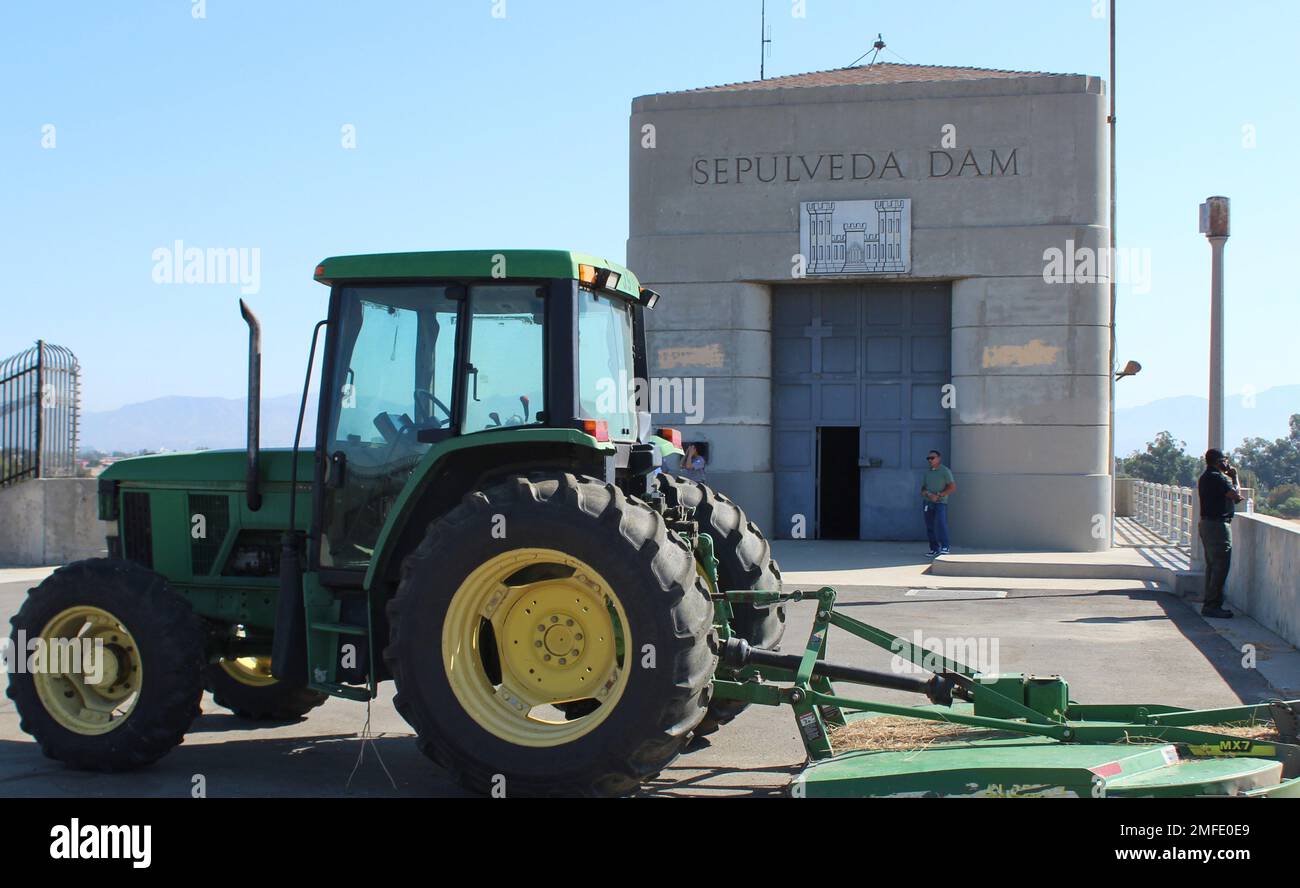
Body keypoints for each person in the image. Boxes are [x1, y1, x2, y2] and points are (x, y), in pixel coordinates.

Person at [1197, 448, 1244, 619]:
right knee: (1220, 567)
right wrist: (1235, 477)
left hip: (1206, 524)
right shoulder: (1218, 477)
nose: (1227, 463)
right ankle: (1213, 605)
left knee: (1212, 566)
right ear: (1218, 461)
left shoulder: (1205, 477)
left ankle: (1209, 603)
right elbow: (1236, 495)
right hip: (1217, 526)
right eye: (1225, 460)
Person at [921, 450, 956, 557]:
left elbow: (952, 487)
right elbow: (922, 489)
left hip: (941, 503)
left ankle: (945, 547)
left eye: (932, 458)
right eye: (928, 458)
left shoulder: (945, 471)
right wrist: (928, 494)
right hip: (928, 502)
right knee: (930, 526)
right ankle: (934, 549)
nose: (930, 460)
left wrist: (939, 495)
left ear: (939, 458)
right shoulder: (927, 473)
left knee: (942, 524)